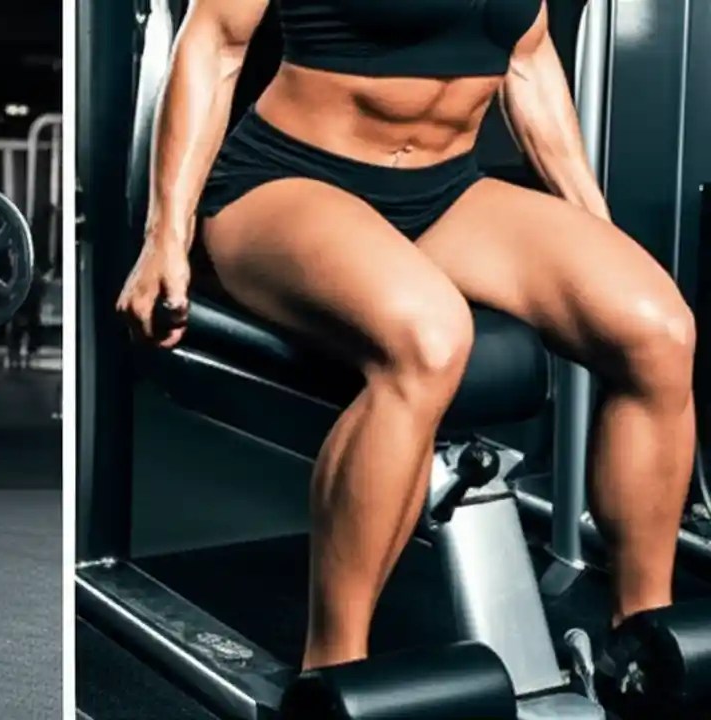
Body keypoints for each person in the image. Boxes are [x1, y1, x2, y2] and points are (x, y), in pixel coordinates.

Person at [117, 0, 696, 677]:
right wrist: (167, 238)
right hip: (284, 183)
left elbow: (530, 62)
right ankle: (334, 668)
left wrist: (592, 225)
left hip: (446, 192)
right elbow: (214, 44)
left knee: (658, 330)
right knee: (431, 337)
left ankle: (643, 648)